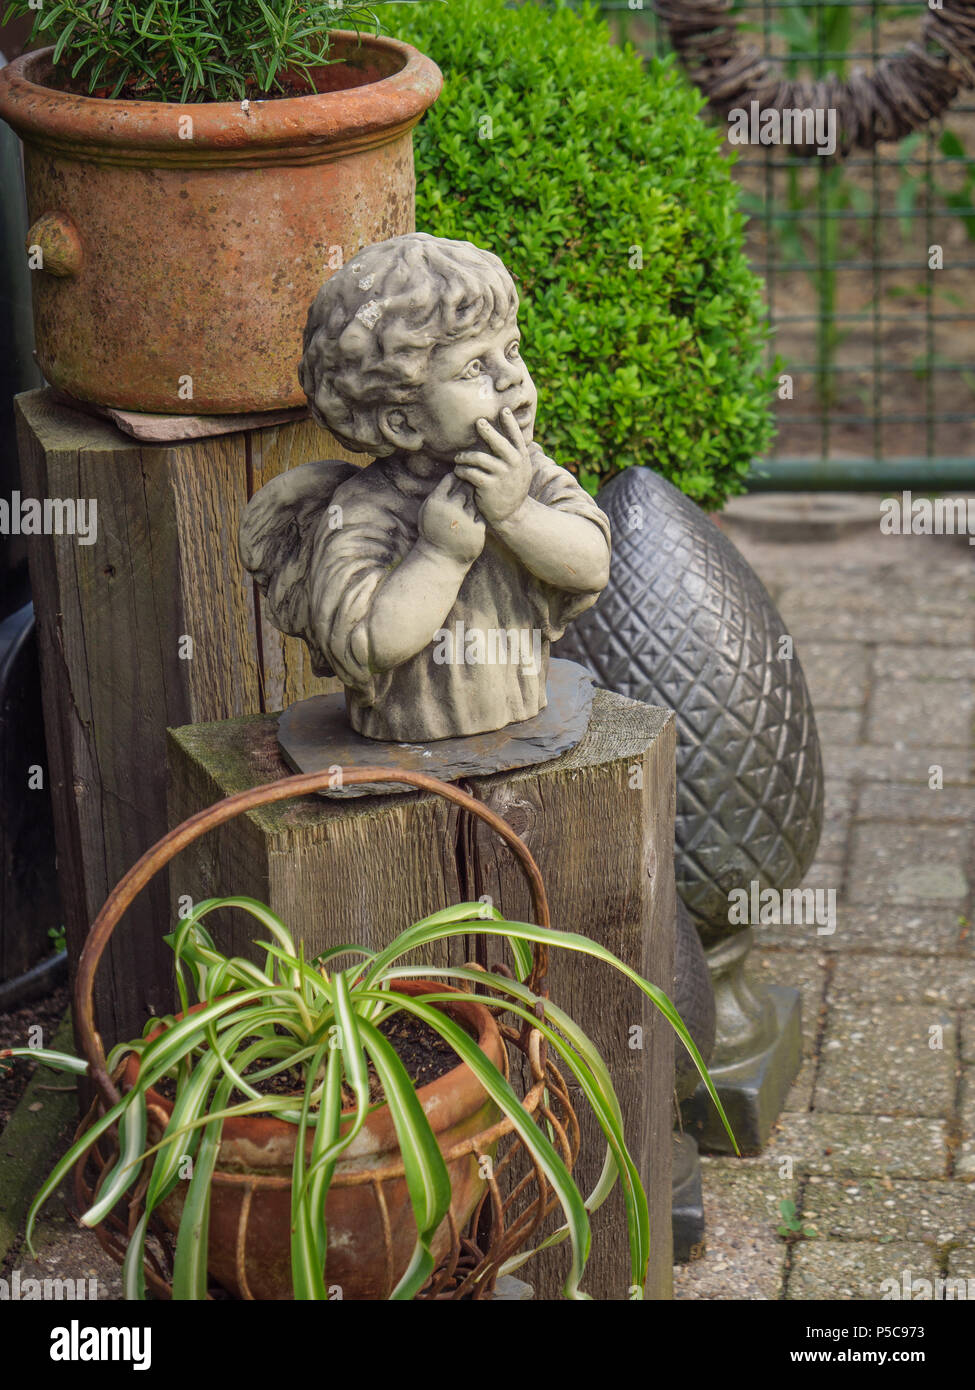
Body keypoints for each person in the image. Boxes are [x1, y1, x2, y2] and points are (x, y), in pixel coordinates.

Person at [240, 232, 610, 743]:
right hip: (407, 739)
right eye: (475, 368)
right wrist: (440, 554)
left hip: (521, 718)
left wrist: (517, 514)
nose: (512, 378)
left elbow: (591, 564)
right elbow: (366, 643)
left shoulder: (524, 472)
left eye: (512, 349)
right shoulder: (365, 510)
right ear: (402, 421)